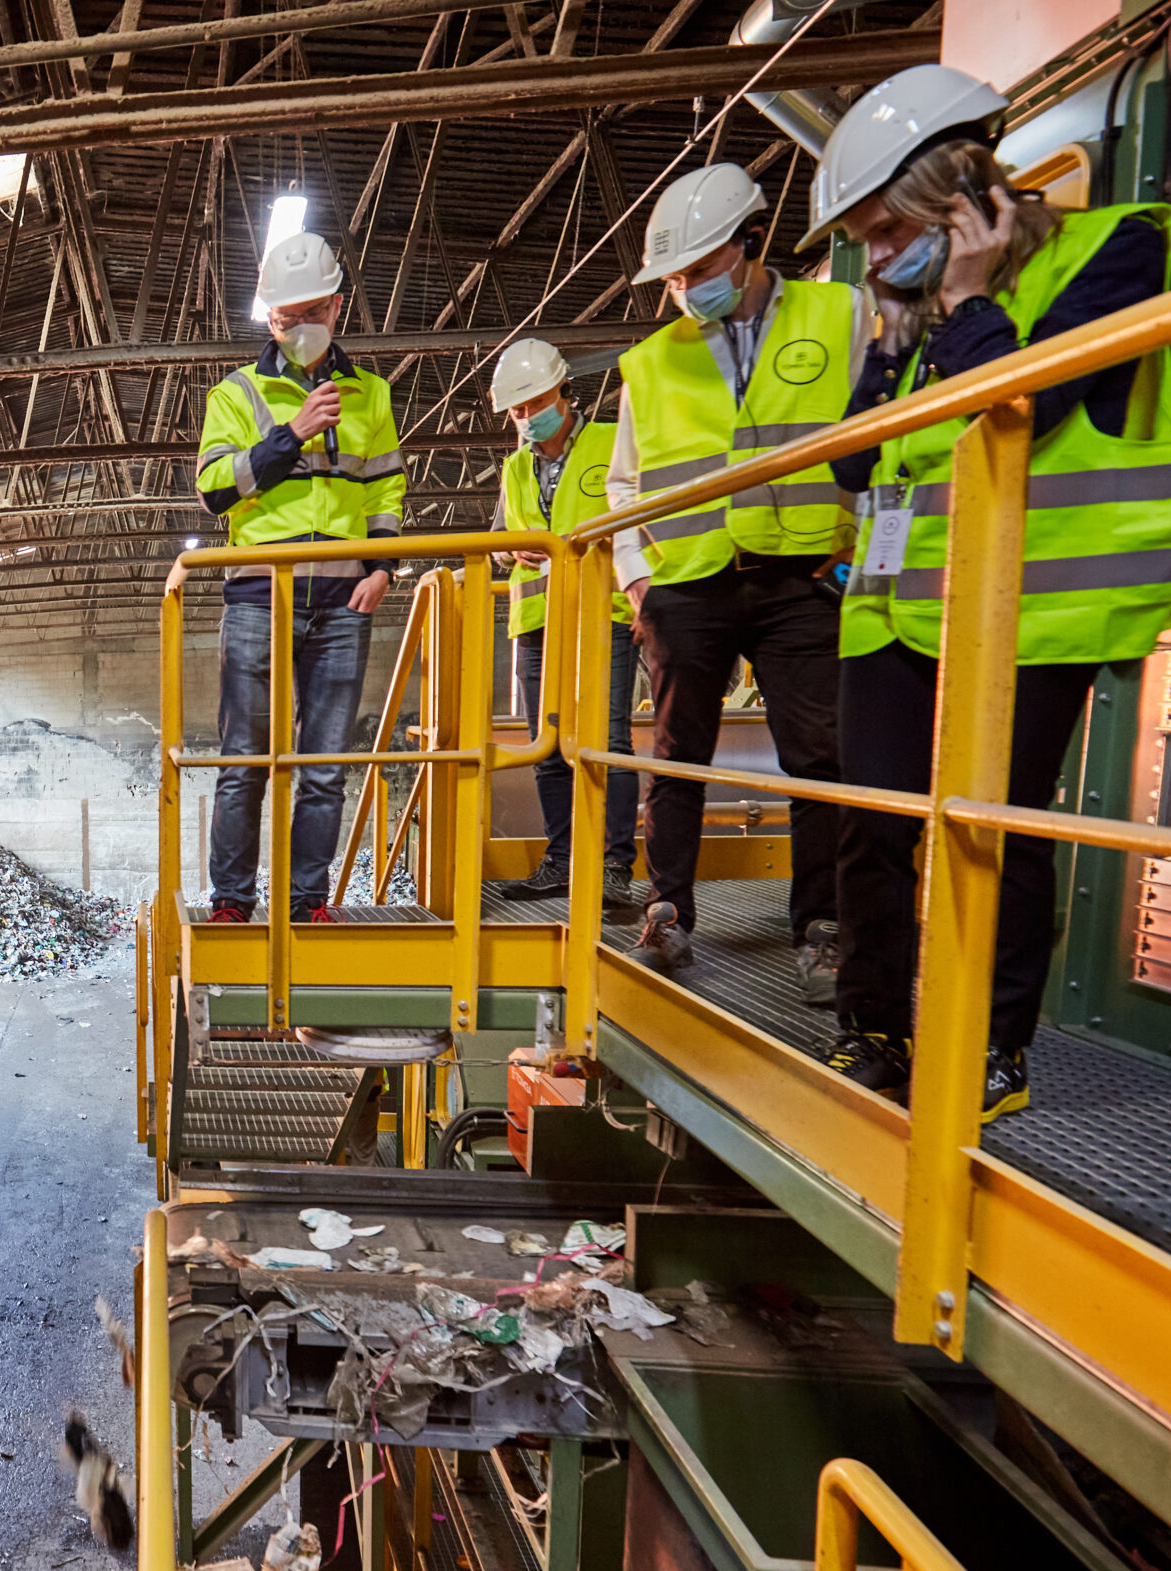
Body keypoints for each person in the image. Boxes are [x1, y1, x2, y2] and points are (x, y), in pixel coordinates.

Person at [807, 64, 1171, 1119]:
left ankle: (989, 1050)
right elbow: (856, 469)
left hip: (1028, 612)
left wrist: (962, 300)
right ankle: (871, 1025)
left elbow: (1023, 408)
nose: (878, 258)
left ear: (960, 193)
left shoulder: (1119, 254)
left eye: (886, 232)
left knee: (989, 831)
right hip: (894, 609)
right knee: (871, 824)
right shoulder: (914, 316)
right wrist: (887, 348)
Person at [612, 160, 861, 1001]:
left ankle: (822, 929)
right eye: (675, 277)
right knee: (678, 755)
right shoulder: (649, 364)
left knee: (819, 756)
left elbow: (885, 433)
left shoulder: (842, 316)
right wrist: (638, 579)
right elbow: (622, 485)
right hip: (690, 582)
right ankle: (668, 910)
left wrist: (857, 553)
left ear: (753, 245)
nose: (686, 289)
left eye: (700, 269)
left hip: (804, 575)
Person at [194, 229, 405, 924]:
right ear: (268, 318)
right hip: (260, 593)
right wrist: (292, 433)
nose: (298, 331)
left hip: (344, 599)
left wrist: (381, 567)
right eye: (285, 320)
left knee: (323, 768)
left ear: (337, 307)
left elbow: (384, 491)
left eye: (310, 315)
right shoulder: (238, 392)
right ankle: (231, 901)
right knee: (244, 762)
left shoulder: (371, 395)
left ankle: (307, 901)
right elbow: (215, 488)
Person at [488, 337, 643, 917]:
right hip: (537, 622)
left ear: (563, 392)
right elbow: (503, 538)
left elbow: (638, 516)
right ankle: (562, 858)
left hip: (605, 614)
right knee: (548, 749)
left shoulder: (609, 443)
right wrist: (512, 553)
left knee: (608, 743)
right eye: (518, 410)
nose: (528, 417)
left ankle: (612, 867)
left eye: (535, 403)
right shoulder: (515, 467)